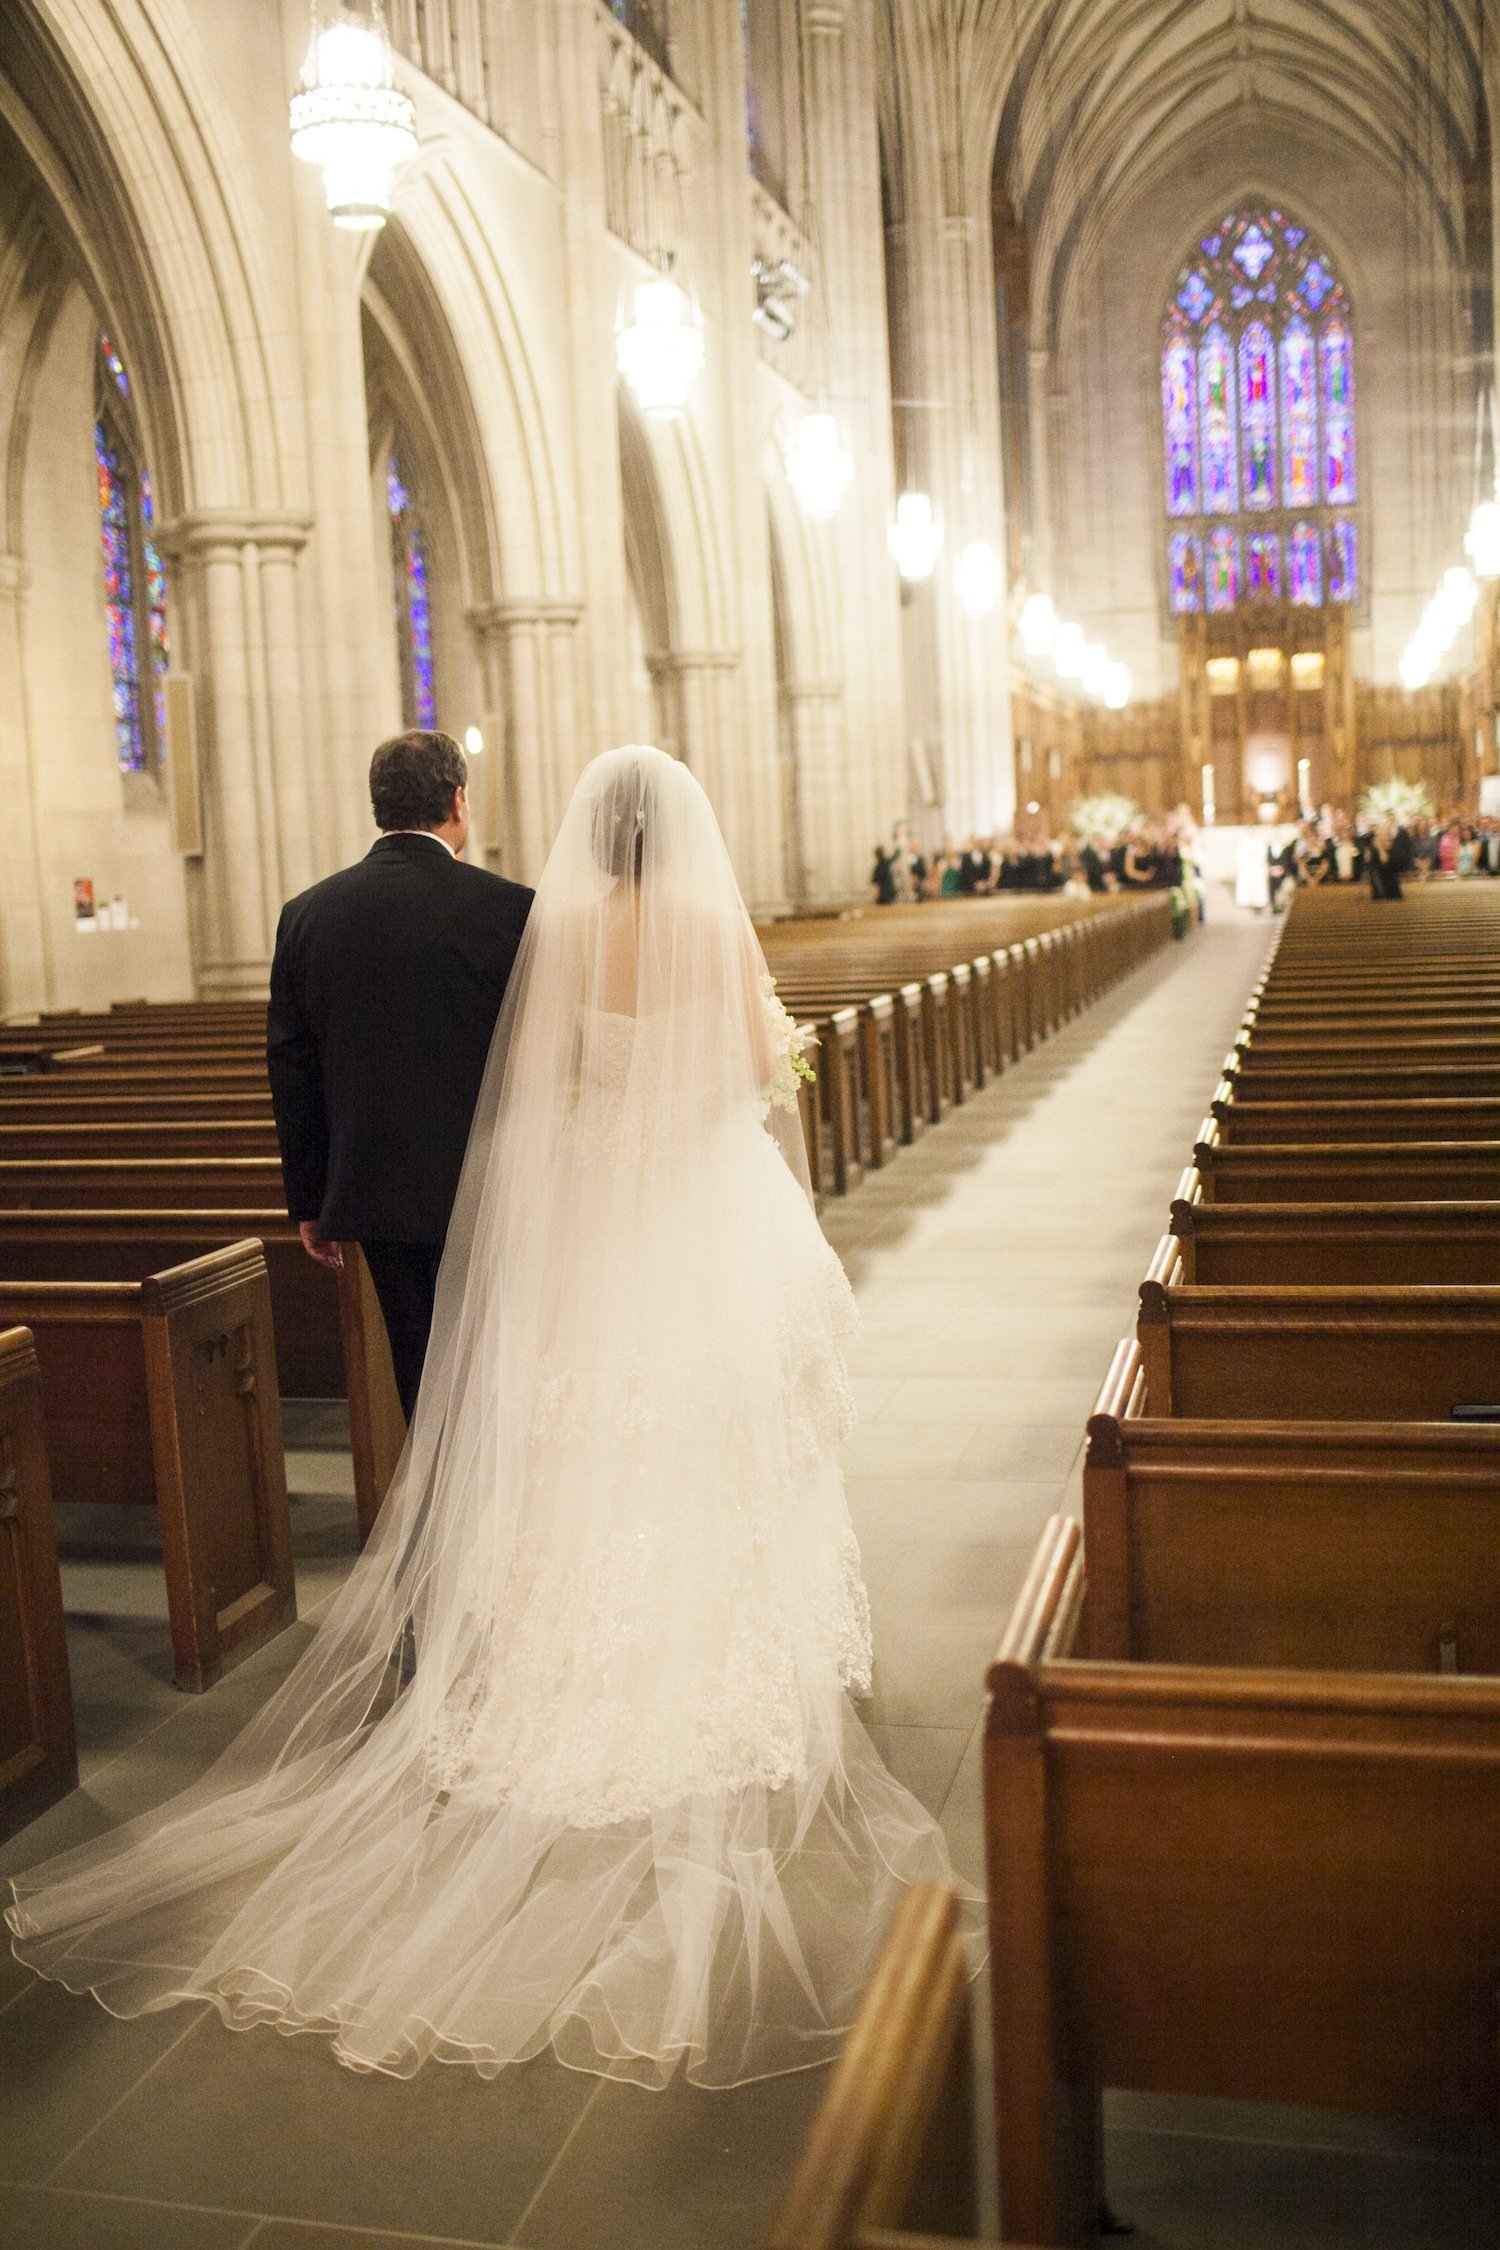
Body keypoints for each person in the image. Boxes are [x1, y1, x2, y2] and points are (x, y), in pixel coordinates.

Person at [7, 745, 977, 2088]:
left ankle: (537, 1642)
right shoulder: (661, 922)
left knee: (584, 1424)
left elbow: (511, 1078)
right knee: (707, 1417)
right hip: (695, 1203)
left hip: (570, 1205)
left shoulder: (537, 930)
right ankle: (723, 1621)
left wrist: (350, 1184)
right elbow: (751, 1064)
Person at [266, 730, 533, 1420]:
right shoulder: (509, 910)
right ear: (457, 800)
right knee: (500, 1362)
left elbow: (293, 1067)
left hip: (376, 1187)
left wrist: (310, 1199)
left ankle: (438, 1517)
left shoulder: (308, 916)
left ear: (379, 807)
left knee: (420, 1365)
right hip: (491, 1180)